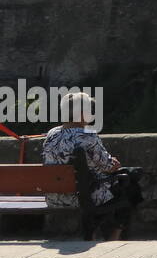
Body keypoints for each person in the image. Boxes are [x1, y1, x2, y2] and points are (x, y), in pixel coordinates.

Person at [42, 92, 138, 240]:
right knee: (130, 182)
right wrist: (114, 163)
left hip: (55, 197)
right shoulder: (87, 135)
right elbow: (108, 166)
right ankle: (115, 235)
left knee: (103, 187)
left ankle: (93, 232)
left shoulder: (52, 134)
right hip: (83, 196)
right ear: (81, 114)